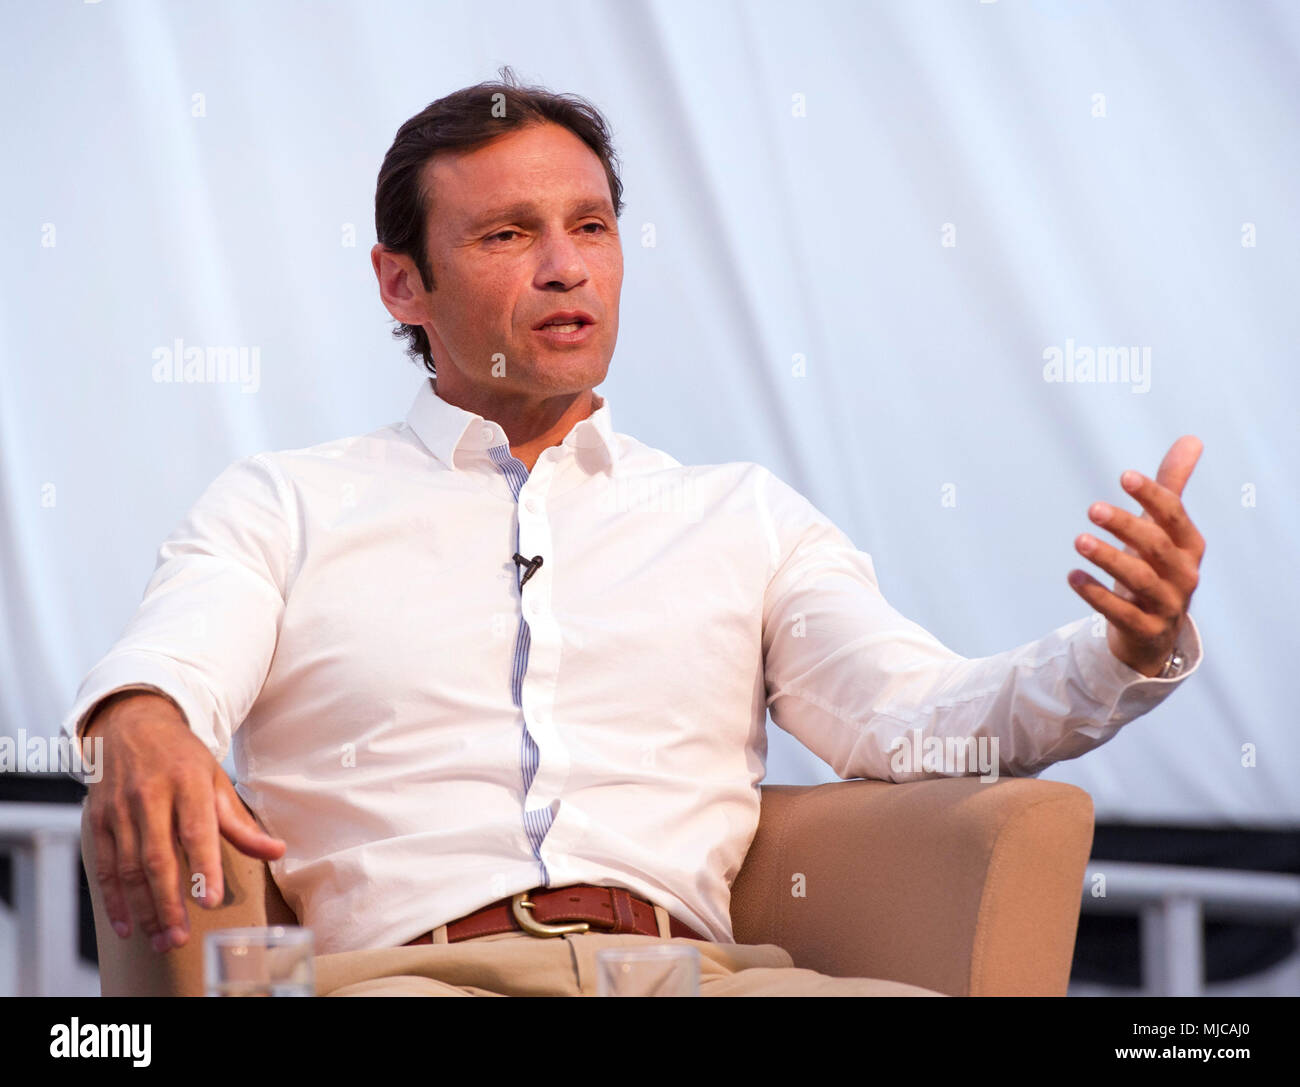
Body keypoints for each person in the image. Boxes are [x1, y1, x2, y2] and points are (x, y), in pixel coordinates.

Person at [64, 68, 1206, 997]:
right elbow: (175, 655)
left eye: (591, 226)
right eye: (508, 235)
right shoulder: (285, 502)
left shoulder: (739, 514)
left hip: (694, 975)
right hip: (409, 977)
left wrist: (1122, 651)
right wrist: (143, 714)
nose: (567, 266)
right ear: (401, 284)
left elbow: (914, 721)